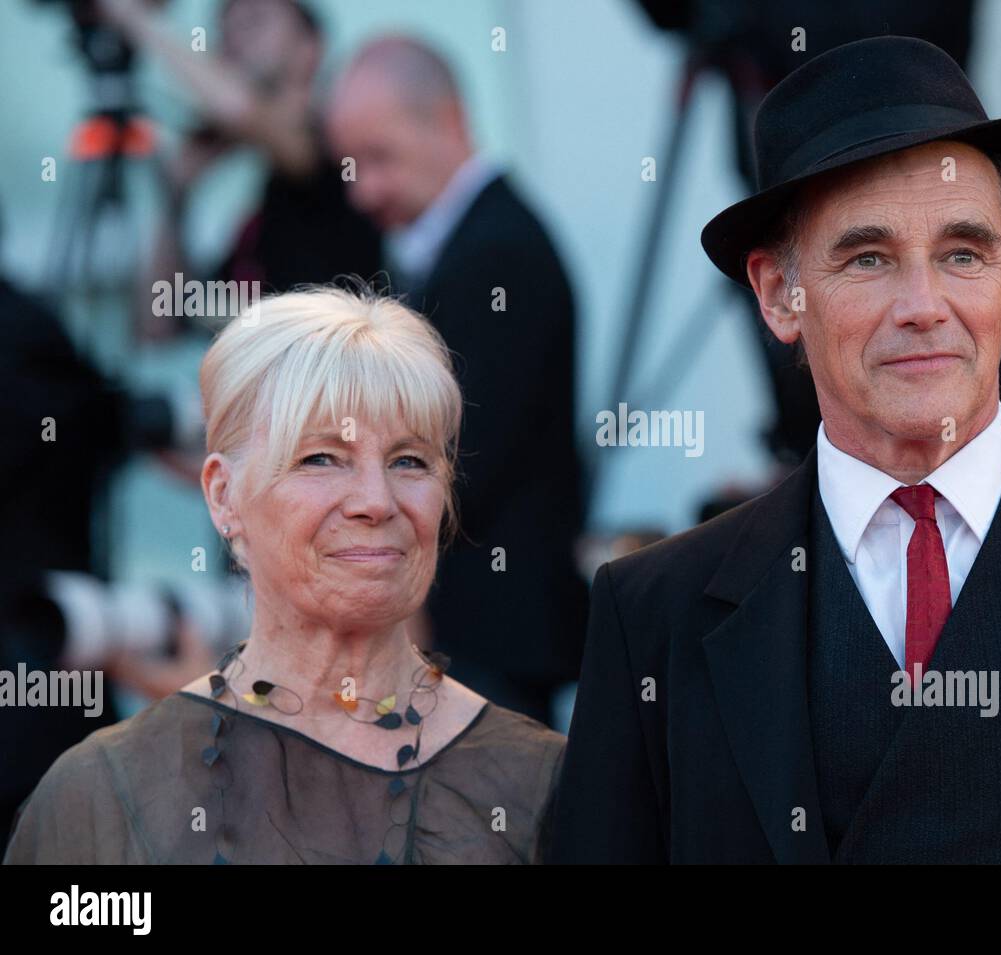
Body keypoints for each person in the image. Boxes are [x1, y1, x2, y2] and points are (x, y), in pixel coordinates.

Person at [547, 37, 1001, 863]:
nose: (923, 306)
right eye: (868, 257)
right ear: (778, 294)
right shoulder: (654, 614)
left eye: (963, 254)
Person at [5, 287, 564, 864]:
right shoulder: (99, 797)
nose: (376, 500)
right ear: (224, 496)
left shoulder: (546, 786)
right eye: (320, 458)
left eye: (409, 460)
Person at [326, 38, 587, 724]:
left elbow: (456, 459)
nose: (362, 191)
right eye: (351, 166)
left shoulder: (497, 252)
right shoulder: (468, 243)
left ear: (449, 123)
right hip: (474, 633)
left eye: (380, 158)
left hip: (485, 639)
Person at [95, 0, 383, 338]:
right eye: (224, 31)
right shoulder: (262, 217)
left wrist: (132, 16)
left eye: (254, 21)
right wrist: (176, 194)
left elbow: (238, 109)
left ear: (312, 46)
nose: (233, 39)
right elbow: (157, 327)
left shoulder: (336, 146)